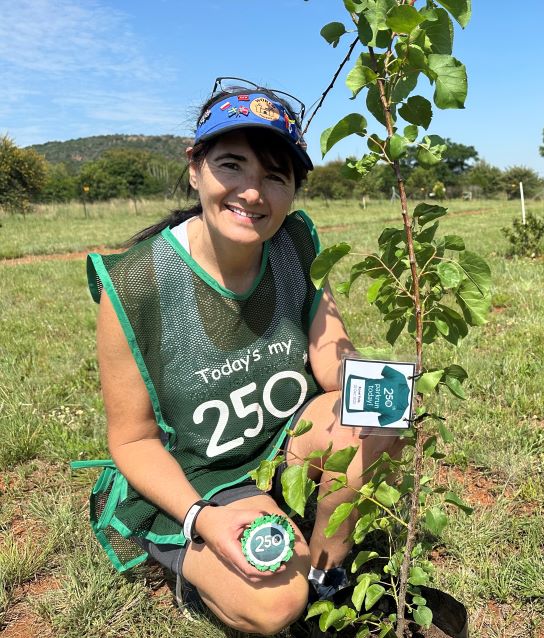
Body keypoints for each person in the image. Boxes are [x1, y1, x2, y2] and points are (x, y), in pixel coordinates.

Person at [82, 78, 403, 635]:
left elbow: (332, 360)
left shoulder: (294, 244)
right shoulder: (135, 283)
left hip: (277, 442)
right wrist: (203, 517)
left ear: (294, 191)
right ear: (195, 167)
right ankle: (191, 563)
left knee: (378, 418)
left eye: (275, 177)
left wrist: (386, 399)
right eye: (232, 165)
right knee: (276, 605)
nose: (253, 193)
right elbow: (132, 441)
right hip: (195, 473)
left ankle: (332, 573)